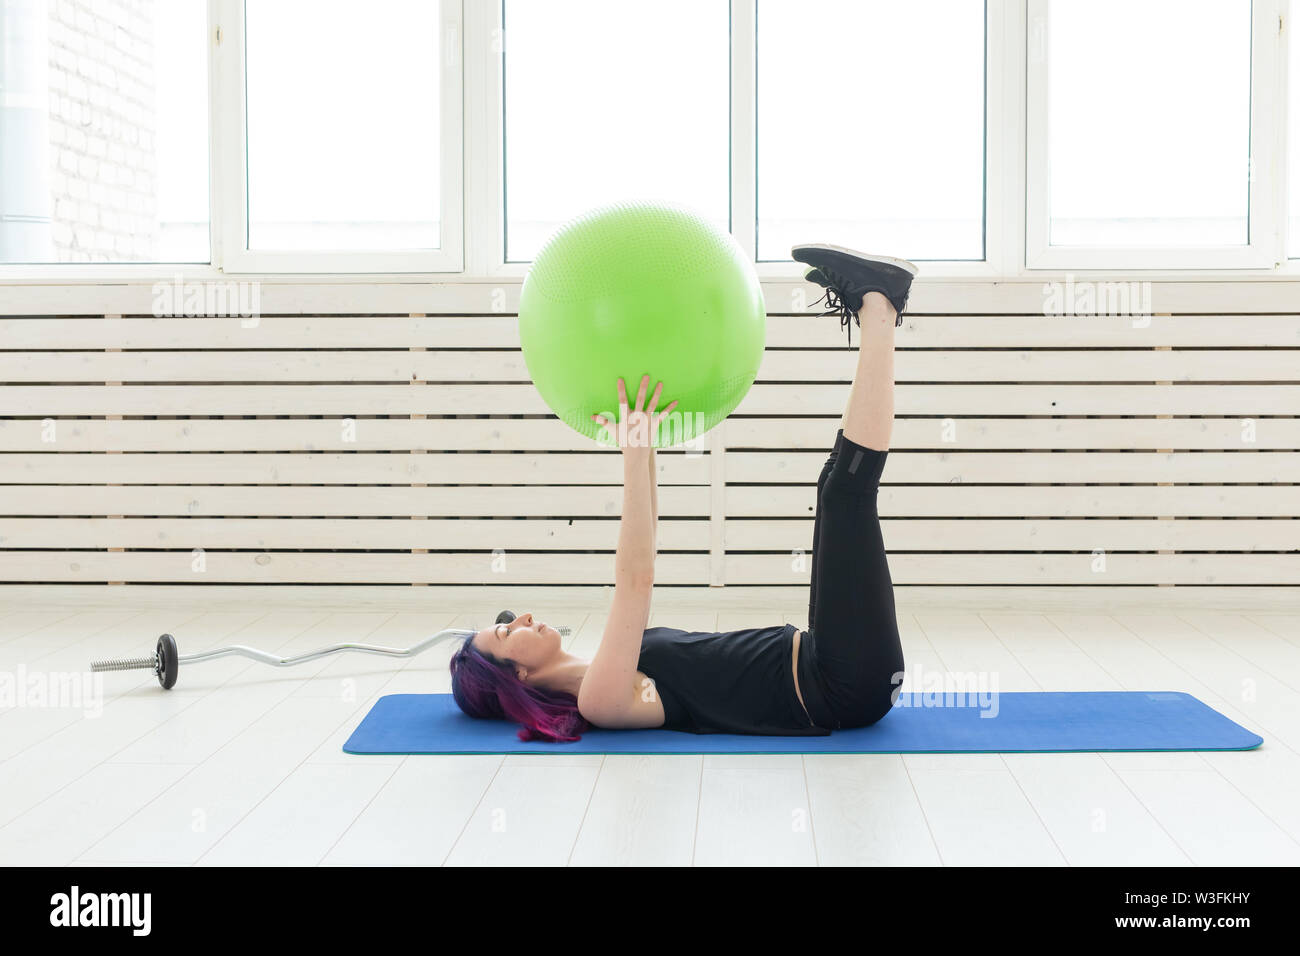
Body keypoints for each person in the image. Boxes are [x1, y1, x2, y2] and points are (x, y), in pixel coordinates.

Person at [450, 245, 917, 741]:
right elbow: (636, 580)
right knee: (845, 495)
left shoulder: (606, 667)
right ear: (515, 676)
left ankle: (877, 305)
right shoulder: (600, 699)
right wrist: (631, 456)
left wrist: (642, 446)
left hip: (827, 657)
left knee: (833, 487)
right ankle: (879, 304)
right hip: (842, 685)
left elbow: (647, 540)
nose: (521, 618)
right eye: (506, 632)